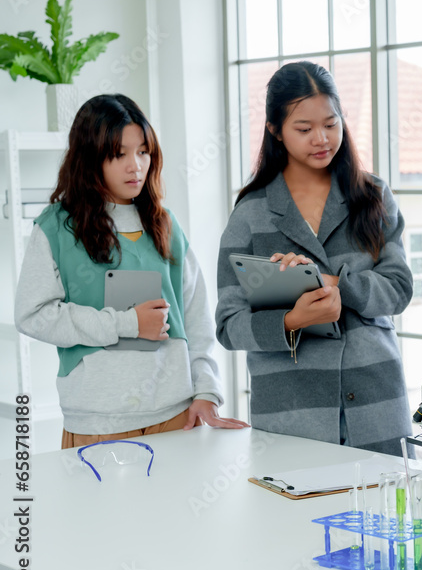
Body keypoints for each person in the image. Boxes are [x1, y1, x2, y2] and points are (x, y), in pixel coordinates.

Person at [14, 94, 247, 447]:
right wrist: (127, 324)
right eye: (119, 154)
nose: (135, 165)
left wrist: (206, 392)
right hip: (98, 422)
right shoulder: (56, 228)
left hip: (176, 416)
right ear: (90, 158)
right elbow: (32, 315)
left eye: (143, 151)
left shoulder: (165, 224)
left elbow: (196, 318)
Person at [216, 61, 413, 456]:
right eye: (304, 129)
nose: (321, 139)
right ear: (275, 131)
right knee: (294, 516)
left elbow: (400, 289)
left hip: (375, 400)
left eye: (331, 123)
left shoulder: (372, 196)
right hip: (291, 412)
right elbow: (228, 324)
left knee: (385, 515)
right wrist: (293, 321)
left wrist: (339, 285)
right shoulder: (251, 214)